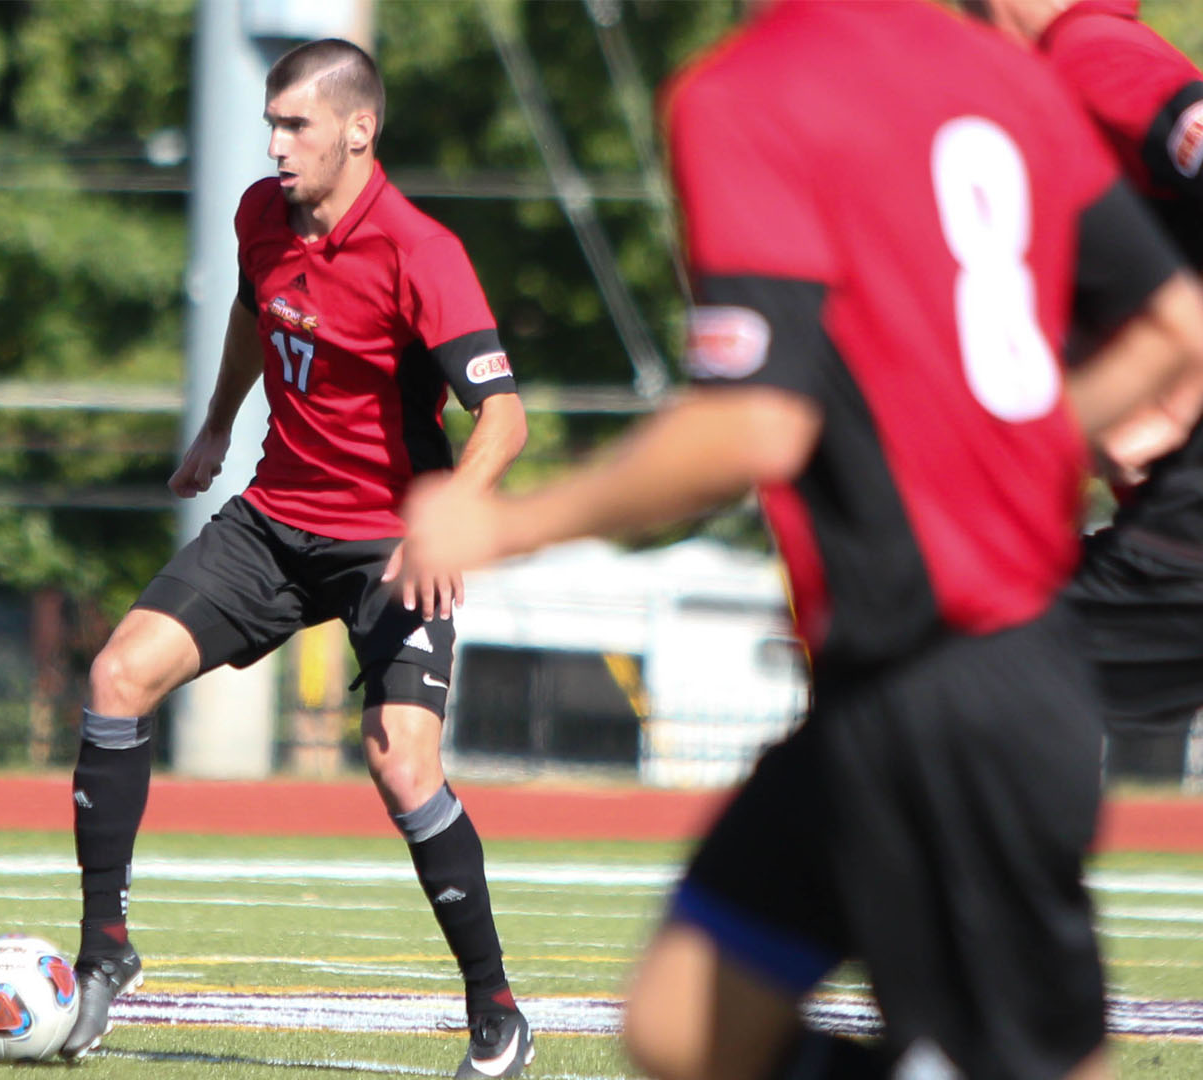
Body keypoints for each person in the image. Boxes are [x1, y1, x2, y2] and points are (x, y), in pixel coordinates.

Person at [400, 2, 1203, 1078]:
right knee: (680, 1024)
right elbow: (1174, 323)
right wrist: (1034, 440)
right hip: (916, 683)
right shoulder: (1002, 79)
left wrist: (508, 522)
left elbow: (756, 423)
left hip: (963, 677)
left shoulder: (744, 93)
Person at [61, 37, 535, 1078]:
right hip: (275, 518)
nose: (274, 144)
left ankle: (496, 1008)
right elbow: (250, 311)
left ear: (358, 132)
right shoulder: (258, 216)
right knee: (116, 675)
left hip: (388, 545)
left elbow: (503, 417)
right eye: (271, 124)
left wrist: (447, 516)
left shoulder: (421, 251)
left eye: (295, 126)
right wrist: (218, 426)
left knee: (402, 766)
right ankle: (107, 952)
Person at [965, 0, 1203, 762]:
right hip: (1169, 528)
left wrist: (1176, 398)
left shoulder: (1093, 51)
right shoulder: (1003, 90)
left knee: (946, 708)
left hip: (1186, 531)